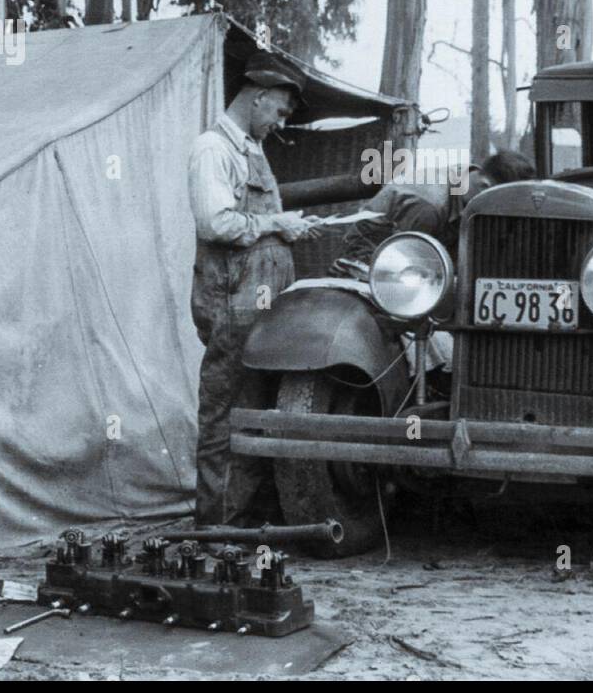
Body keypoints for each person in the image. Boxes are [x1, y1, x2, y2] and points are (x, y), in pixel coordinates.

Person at [188, 50, 321, 526]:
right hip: (231, 304)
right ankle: (216, 526)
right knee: (226, 415)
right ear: (259, 97)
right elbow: (215, 223)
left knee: (254, 409)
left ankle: (243, 521)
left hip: (259, 306)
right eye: (280, 112)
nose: (281, 123)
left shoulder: (250, 148)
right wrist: (276, 223)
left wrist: (283, 229)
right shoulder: (214, 150)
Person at [337, 149, 537, 267]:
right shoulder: (430, 204)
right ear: (485, 186)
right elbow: (405, 262)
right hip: (370, 256)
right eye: (502, 203)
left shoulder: (469, 179)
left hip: (422, 247)